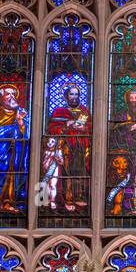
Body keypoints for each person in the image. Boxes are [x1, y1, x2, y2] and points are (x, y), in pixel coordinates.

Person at [0, 82, 30, 216]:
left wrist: (20, 122)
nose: (11, 96)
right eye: (7, 94)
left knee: (13, 176)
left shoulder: (20, 113)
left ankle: (8, 202)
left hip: (15, 152)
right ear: (0, 97)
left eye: (13, 94)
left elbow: (23, 133)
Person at [106, 88, 136, 217]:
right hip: (128, 152)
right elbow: (116, 133)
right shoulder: (121, 116)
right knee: (132, 179)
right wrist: (134, 127)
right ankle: (133, 206)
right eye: (131, 98)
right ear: (128, 100)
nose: (134, 101)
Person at [43, 81, 91, 214]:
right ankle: (66, 198)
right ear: (66, 96)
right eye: (71, 94)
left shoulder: (85, 112)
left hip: (82, 146)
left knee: (80, 172)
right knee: (66, 172)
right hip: (66, 147)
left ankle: (80, 197)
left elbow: (93, 129)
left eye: (77, 94)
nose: (74, 97)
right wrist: (67, 125)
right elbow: (51, 129)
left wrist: (84, 127)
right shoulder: (59, 111)